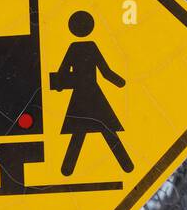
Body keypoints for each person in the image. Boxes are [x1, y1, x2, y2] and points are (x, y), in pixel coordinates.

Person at [50, 10, 134, 176]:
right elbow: (106, 72)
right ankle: (127, 165)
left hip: (80, 96)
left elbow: (62, 72)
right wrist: (120, 82)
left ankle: (67, 169)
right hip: (93, 94)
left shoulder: (73, 47)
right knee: (106, 129)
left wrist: (59, 84)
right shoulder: (91, 46)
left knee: (80, 130)